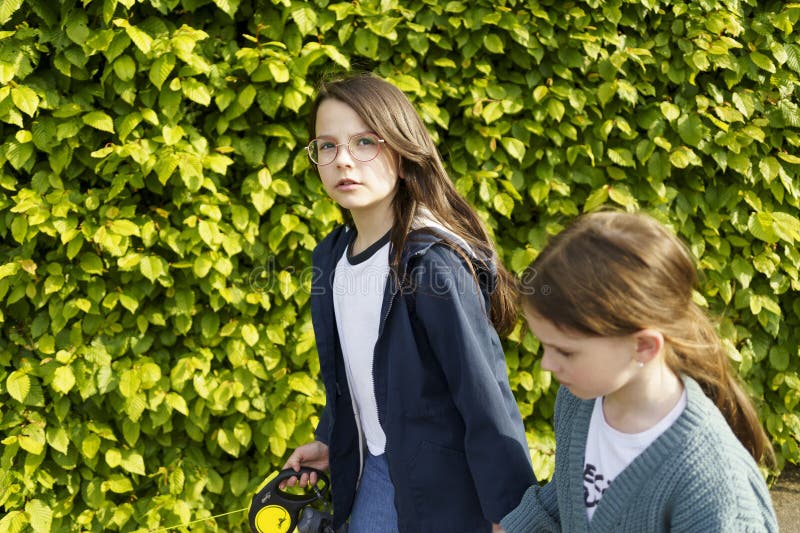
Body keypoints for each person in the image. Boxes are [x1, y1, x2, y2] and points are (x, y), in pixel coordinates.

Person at [280, 72, 536, 533]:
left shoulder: (431, 262)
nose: (343, 161)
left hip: (445, 490)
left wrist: (510, 515)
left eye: (364, 143)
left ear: (401, 152)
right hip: (374, 474)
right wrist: (329, 440)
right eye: (327, 146)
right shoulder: (332, 257)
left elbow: (485, 398)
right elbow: (359, 374)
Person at [499, 210, 778, 532]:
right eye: (544, 345)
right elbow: (573, 493)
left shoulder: (710, 478)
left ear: (644, 346)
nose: (547, 364)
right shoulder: (580, 402)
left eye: (565, 351)